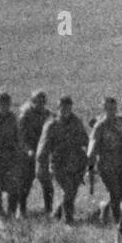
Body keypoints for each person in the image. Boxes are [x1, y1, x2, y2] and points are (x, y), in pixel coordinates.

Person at [36, 95, 90, 224]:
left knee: (71, 192)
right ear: (58, 108)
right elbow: (43, 146)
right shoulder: (52, 124)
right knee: (68, 191)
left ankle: (56, 214)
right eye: (62, 107)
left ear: (71, 107)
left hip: (76, 163)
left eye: (68, 107)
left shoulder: (77, 122)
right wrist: (42, 164)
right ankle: (68, 220)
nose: (65, 109)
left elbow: (85, 140)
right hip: (58, 163)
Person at [87, 95, 122, 223]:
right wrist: (90, 169)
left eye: (114, 109)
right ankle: (118, 222)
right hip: (106, 164)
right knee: (115, 193)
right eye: (108, 109)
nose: (112, 112)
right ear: (104, 110)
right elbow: (91, 149)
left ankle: (105, 206)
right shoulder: (100, 127)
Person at [14, 89, 52, 216]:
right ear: (32, 101)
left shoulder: (47, 114)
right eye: (37, 101)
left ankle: (48, 210)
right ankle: (22, 210)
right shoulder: (25, 114)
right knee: (25, 182)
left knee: (46, 182)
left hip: (42, 153)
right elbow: (20, 136)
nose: (40, 104)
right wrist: (28, 150)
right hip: (27, 153)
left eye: (42, 101)